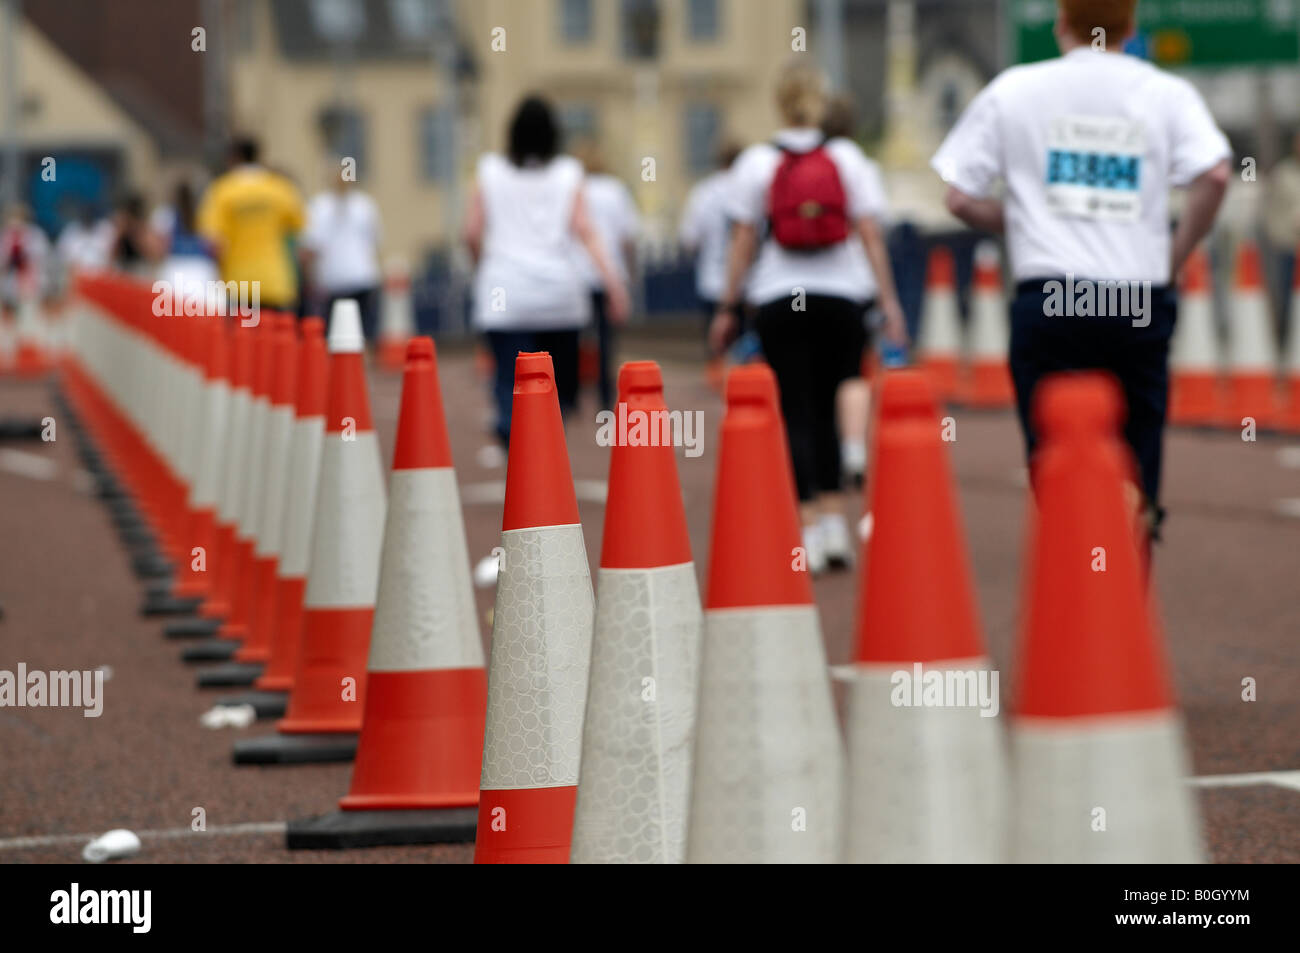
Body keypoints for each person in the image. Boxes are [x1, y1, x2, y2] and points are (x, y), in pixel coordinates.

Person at [932, 0, 1230, 544]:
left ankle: (1072, 571)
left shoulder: (1014, 89)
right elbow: (1213, 175)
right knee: (1135, 452)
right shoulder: (1166, 93)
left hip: (1053, 296)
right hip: (1135, 295)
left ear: (1061, 24)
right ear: (1131, 27)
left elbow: (957, 197)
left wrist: (1021, 221)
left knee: (1058, 452)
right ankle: (1127, 576)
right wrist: (1174, 252)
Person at [710, 61, 908, 574]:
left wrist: (730, 305)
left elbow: (742, 240)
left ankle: (812, 530)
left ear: (778, 103)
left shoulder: (755, 162)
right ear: (821, 103)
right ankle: (840, 517)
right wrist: (889, 303)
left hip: (779, 297)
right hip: (842, 296)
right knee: (838, 388)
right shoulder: (846, 158)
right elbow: (869, 233)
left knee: (796, 408)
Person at [464, 95, 630, 445]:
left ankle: (512, 432)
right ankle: (546, 454)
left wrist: (485, 267)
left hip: (505, 295)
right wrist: (614, 285)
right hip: (559, 298)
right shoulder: (569, 173)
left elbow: (471, 233)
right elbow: (587, 233)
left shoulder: (489, 170)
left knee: (511, 385)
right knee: (559, 393)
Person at [822, 93, 891, 493]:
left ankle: (820, 458)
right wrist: (887, 295)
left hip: (796, 285)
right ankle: (853, 448)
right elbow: (871, 231)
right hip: (851, 285)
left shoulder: (796, 157)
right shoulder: (860, 163)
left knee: (813, 382)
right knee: (850, 372)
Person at [197, 136, 306, 313]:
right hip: (275, 281)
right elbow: (300, 230)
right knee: (275, 338)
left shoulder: (222, 190)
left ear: (233, 157)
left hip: (239, 282)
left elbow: (213, 242)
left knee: (242, 338)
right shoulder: (280, 188)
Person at [571, 141, 640, 411]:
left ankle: (572, 395)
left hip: (578, 273)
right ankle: (604, 396)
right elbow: (628, 237)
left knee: (575, 337)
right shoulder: (616, 189)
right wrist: (630, 274)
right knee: (606, 338)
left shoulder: (573, 190)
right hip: (609, 272)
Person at [301, 169, 383, 343]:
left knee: (360, 333)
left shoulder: (364, 205)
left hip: (360, 278)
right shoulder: (321, 206)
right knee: (339, 335)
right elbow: (311, 246)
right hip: (334, 281)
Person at [680, 141, 743, 334]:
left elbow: (689, 240)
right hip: (747, 283)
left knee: (717, 353)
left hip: (713, 282)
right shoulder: (750, 187)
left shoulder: (703, 192)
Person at [150, 181, 219, 308]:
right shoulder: (204, 214)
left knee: (176, 313)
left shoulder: (166, 215)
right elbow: (214, 246)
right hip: (203, 269)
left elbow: (159, 248)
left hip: (175, 269)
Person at [1263, 131, 1300, 338]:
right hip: (1289, 248)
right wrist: (1279, 236)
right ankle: (1285, 340)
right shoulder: (1283, 174)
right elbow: (1271, 211)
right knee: (1287, 300)